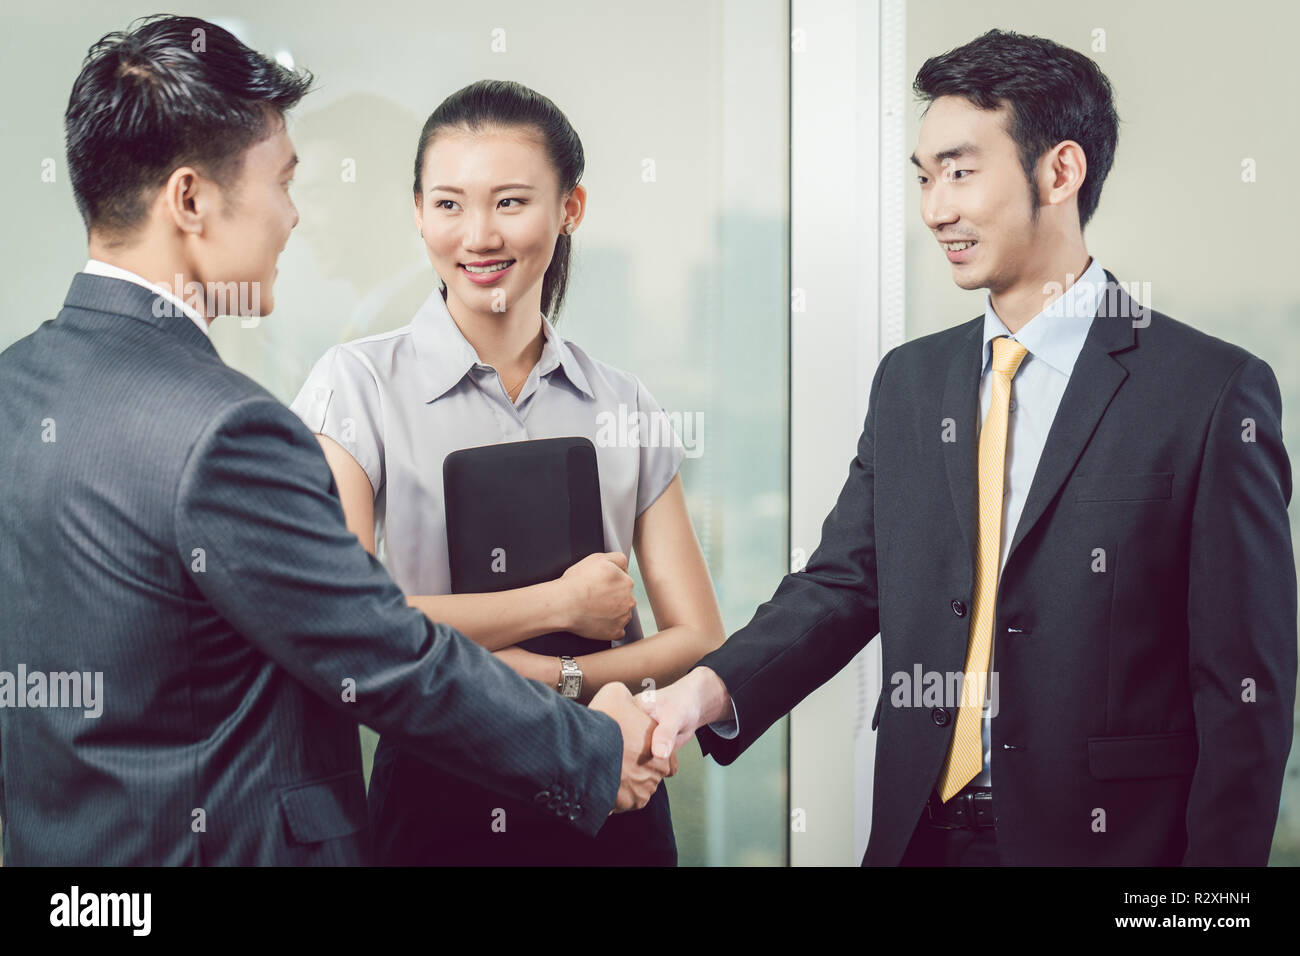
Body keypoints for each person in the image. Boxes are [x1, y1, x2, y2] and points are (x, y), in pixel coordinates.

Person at [0, 15, 673, 866]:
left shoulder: (14, 389)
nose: (291, 217)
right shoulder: (226, 430)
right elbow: (381, 655)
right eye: (283, 182)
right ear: (190, 200)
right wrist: (591, 745)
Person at [637, 28, 1296, 866]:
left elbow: (1247, 695)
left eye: (960, 170)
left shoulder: (1208, 393)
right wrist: (701, 694)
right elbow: (843, 582)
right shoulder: (912, 382)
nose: (935, 209)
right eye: (923, 177)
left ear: (1060, 172)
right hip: (920, 834)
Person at [291, 79, 726, 866]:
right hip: (438, 796)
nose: (478, 235)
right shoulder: (355, 386)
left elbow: (697, 635)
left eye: (512, 202)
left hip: (611, 785)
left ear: (571, 210)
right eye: (449, 204)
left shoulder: (623, 400)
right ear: (417, 211)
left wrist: (559, 676)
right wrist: (556, 605)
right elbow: (346, 625)